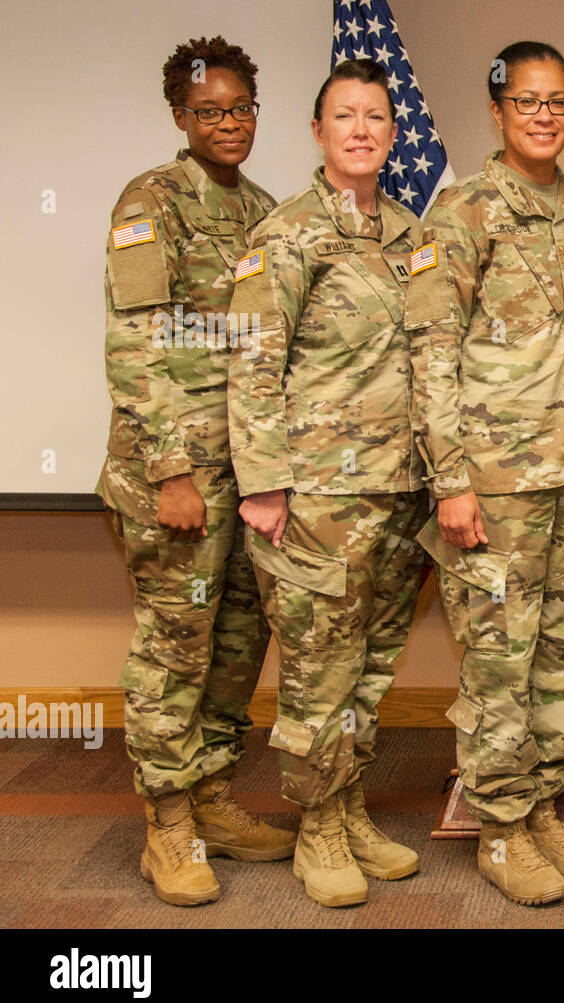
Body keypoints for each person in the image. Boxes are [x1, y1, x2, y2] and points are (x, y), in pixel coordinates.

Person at [407, 41, 564, 906]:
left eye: (558, 100)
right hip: (496, 484)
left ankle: (538, 812)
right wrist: (449, 481)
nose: (544, 115)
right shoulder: (461, 212)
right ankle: (498, 829)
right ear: (496, 111)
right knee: (500, 661)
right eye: (527, 101)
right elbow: (429, 355)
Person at [96, 36, 294, 907]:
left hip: (249, 475)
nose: (228, 122)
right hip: (175, 480)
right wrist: (174, 471)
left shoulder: (264, 208)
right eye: (210, 109)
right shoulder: (150, 202)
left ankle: (213, 797)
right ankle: (167, 824)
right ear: (181, 115)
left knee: (239, 645)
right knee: (176, 649)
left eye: (241, 107)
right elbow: (137, 343)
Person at [227, 58, 427, 908]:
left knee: (371, 666)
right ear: (317, 131)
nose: (361, 130)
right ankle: (315, 827)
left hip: (397, 492)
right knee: (317, 670)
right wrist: (265, 483)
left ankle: (347, 809)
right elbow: (252, 361)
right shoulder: (287, 234)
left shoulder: (412, 233)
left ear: (392, 132)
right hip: (315, 498)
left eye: (375, 117)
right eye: (344, 116)